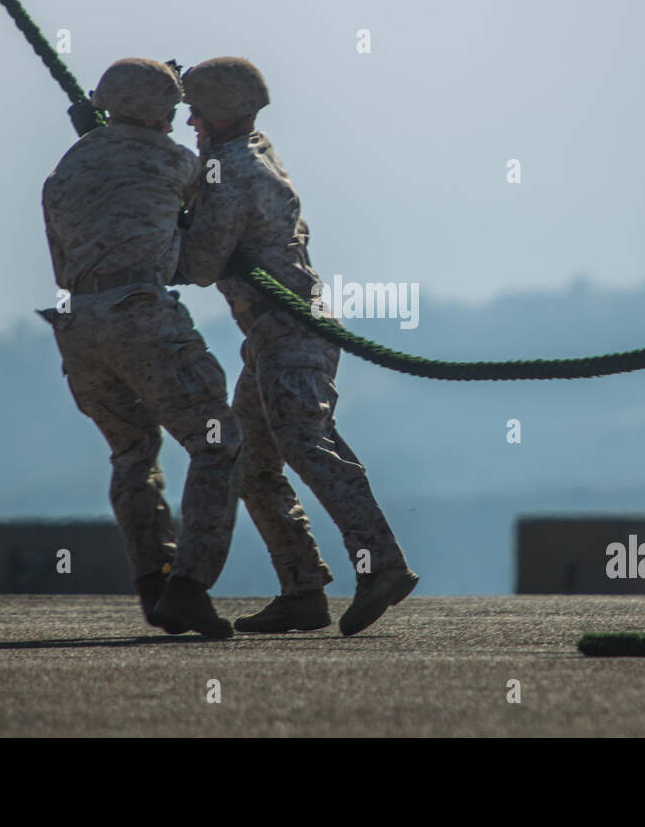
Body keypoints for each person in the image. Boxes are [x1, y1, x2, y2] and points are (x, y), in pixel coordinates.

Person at [176, 56, 418, 636]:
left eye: (195, 111)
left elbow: (201, 265)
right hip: (271, 335)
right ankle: (303, 588)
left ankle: (381, 564)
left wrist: (149, 212)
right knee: (251, 464)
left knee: (306, 443)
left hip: (288, 332)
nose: (188, 123)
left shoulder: (233, 172)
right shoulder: (243, 152)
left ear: (218, 112)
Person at [41, 57, 241, 638]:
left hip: (78, 324)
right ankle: (189, 585)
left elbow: (66, 256)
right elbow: (197, 265)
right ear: (163, 114)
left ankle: (154, 583)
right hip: (141, 317)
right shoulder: (180, 162)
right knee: (217, 443)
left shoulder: (66, 170)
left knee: (132, 453)